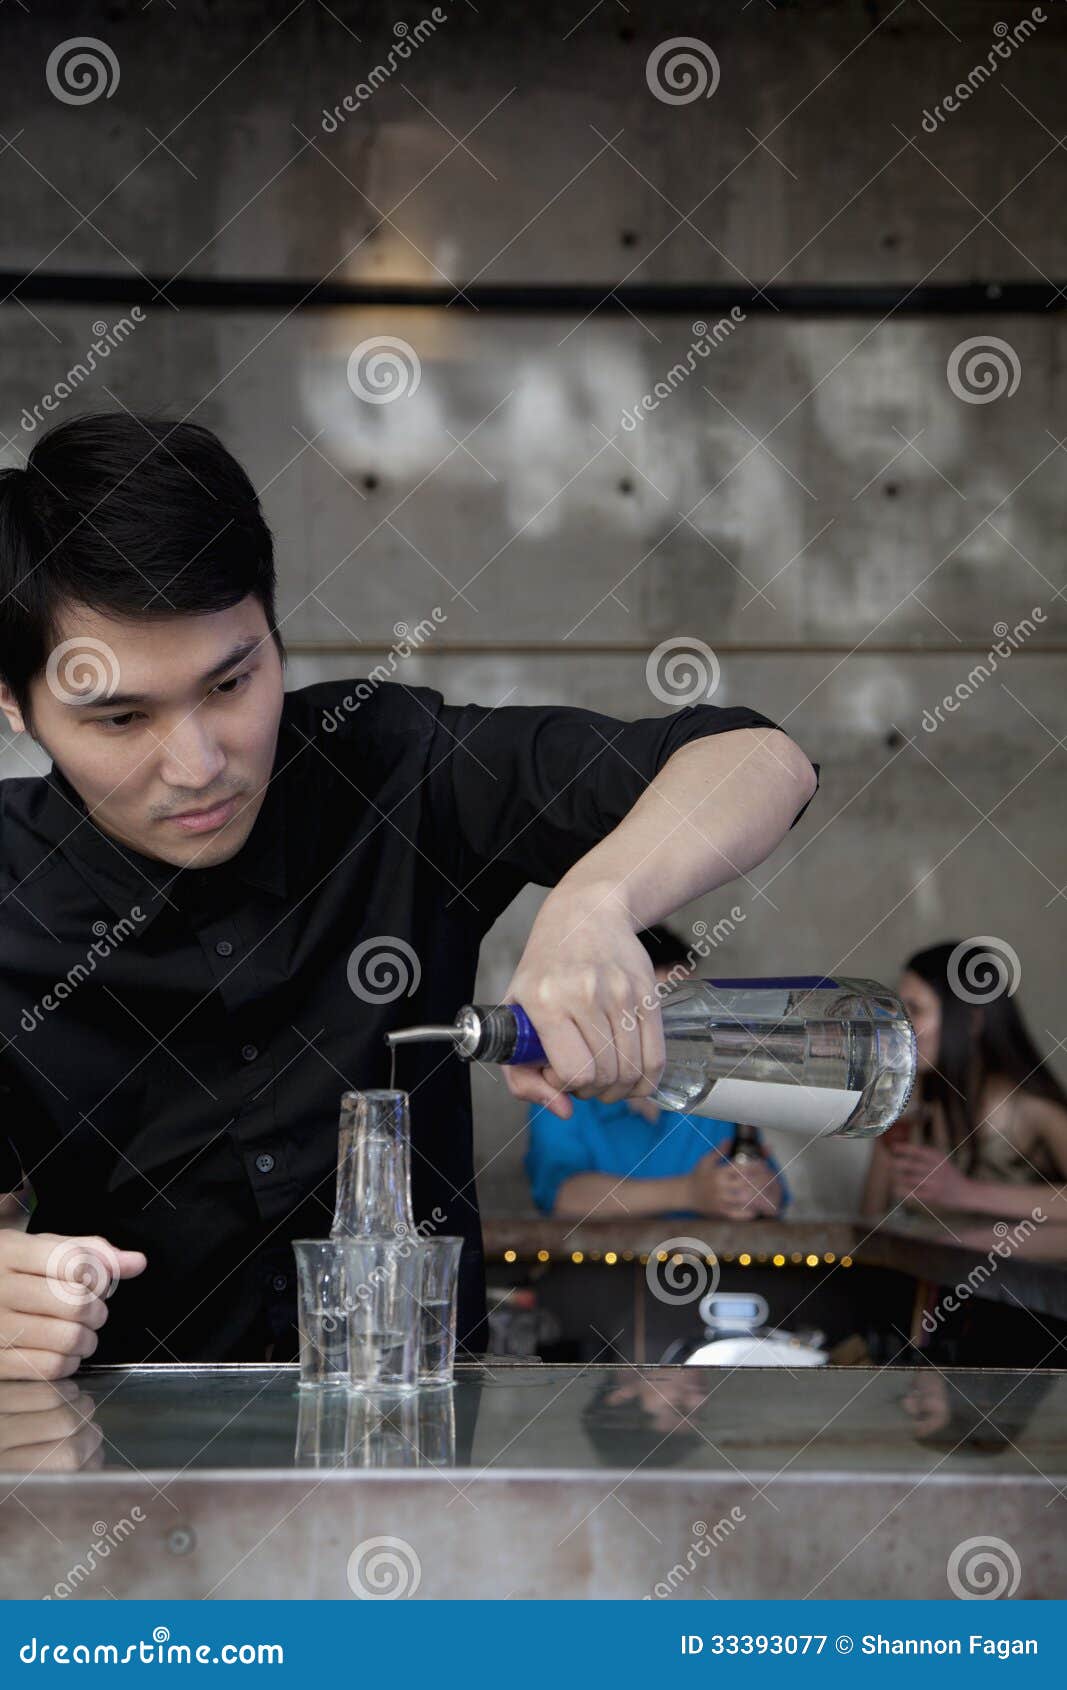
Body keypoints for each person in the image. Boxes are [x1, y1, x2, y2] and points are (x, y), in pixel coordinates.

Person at [0, 412, 818, 1380]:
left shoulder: (389, 769)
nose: (199, 766)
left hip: (421, 1463)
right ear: (14, 704)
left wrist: (595, 899)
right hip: (119, 1485)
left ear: (272, 629)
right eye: (122, 716)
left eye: (230, 683)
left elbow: (760, 759)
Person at [524, 923, 786, 1220]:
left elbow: (771, 1192)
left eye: (693, 1009)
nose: (682, 1028)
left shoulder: (721, 1089)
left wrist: (762, 1192)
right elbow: (562, 1196)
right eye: (662, 1009)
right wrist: (687, 1193)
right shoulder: (563, 1087)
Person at [862, 940, 1067, 1221]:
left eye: (915, 1010)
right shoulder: (907, 1108)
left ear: (972, 1021)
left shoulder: (1031, 1108)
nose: (899, 1026)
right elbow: (867, 1223)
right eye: (898, 1011)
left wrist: (967, 1193)